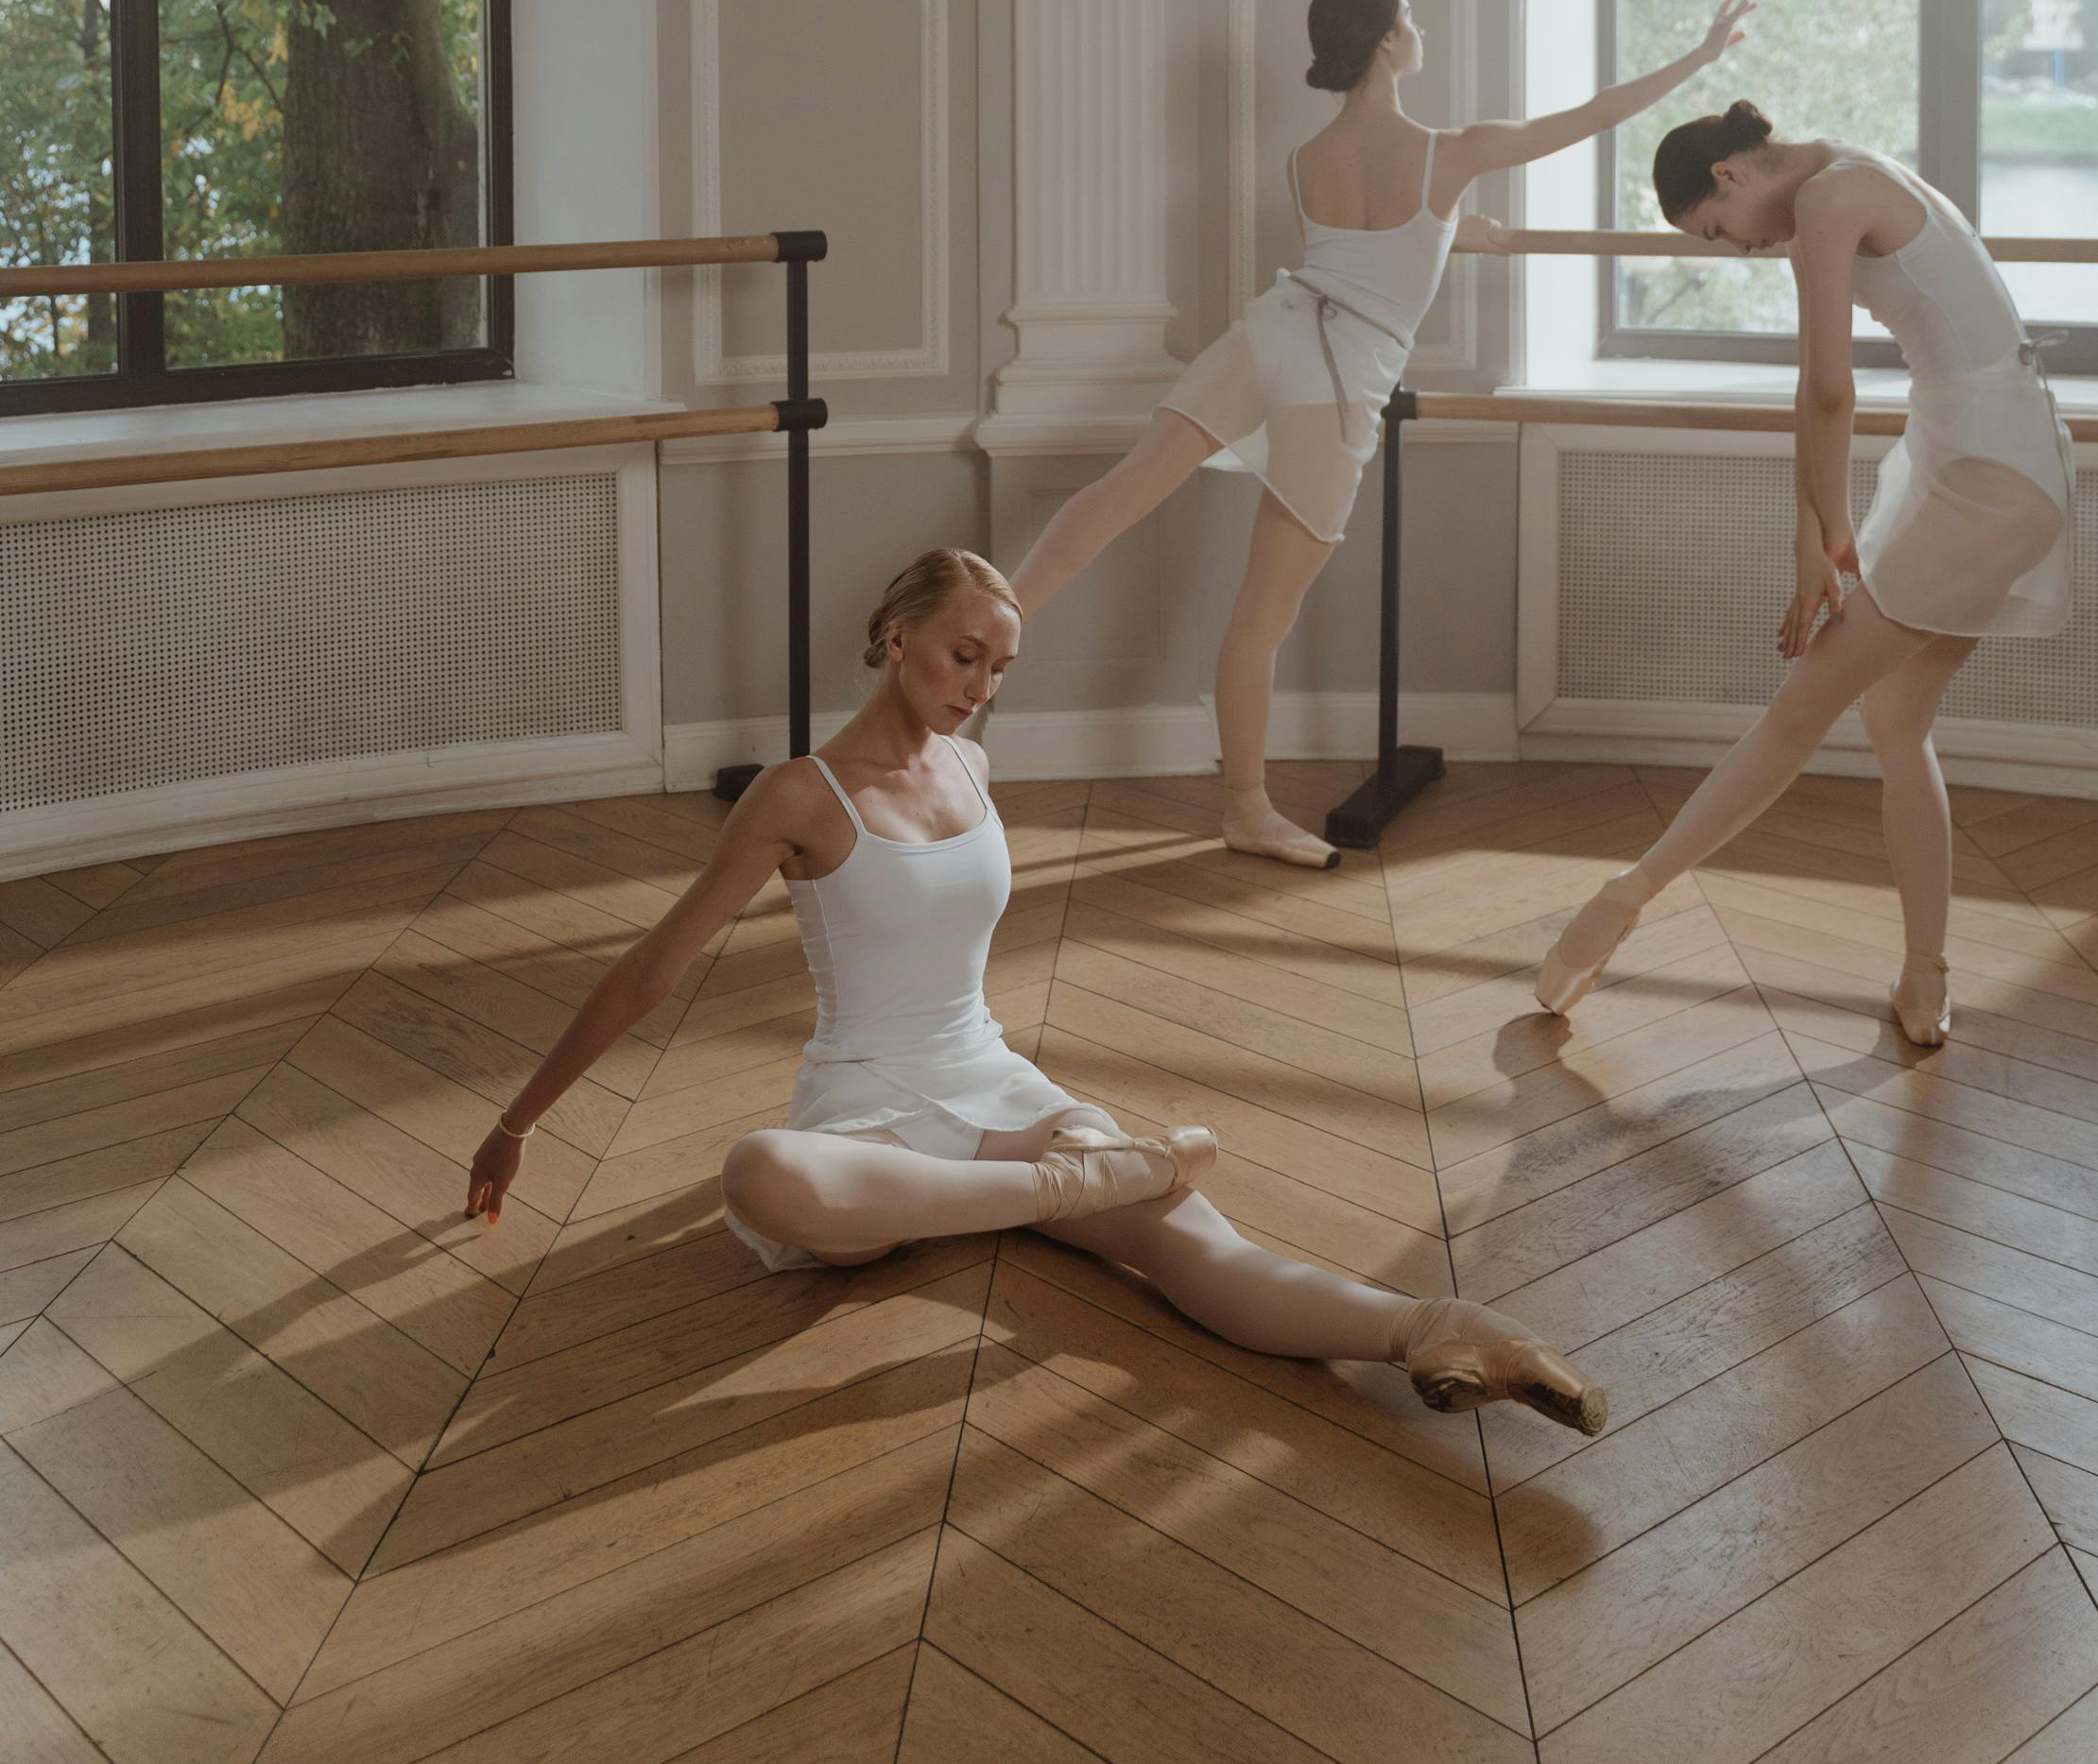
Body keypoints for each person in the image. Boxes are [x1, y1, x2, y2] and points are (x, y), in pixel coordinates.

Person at [467, 546, 1607, 1437]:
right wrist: (518, 1123)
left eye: (1001, 666)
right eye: (964, 655)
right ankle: (1063, 1186)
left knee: (1192, 1244)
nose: (981, 687)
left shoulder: (973, 766)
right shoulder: (798, 794)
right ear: (894, 635)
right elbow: (651, 968)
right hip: (869, 1112)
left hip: (996, 1086)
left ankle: (1436, 1329)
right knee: (759, 1171)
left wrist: (1430, 1321)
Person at [1011, 0, 1757, 867]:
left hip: (1271, 331)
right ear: (1386, 44)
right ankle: (1244, 810)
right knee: (1261, 612)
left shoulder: (1303, 160)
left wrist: (1448, 234)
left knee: (1117, 494)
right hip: (1336, 376)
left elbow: (1366, 249)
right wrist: (1702, 58)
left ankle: (974, 633)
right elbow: (1593, 115)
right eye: (1410, 16)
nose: (1420, 27)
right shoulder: (1455, 151)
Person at [1535, 102, 2072, 1049]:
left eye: (1714, 230)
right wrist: (1811, 536)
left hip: (1987, 470)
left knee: (1803, 702)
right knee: (1893, 717)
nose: (1732, 248)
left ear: (1730, 177)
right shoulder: (1846, 167)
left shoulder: (1829, 197)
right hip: (1968, 448)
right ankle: (1923, 971)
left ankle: (1621, 900)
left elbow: (1826, 386)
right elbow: (1823, 391)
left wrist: (1818, 538)